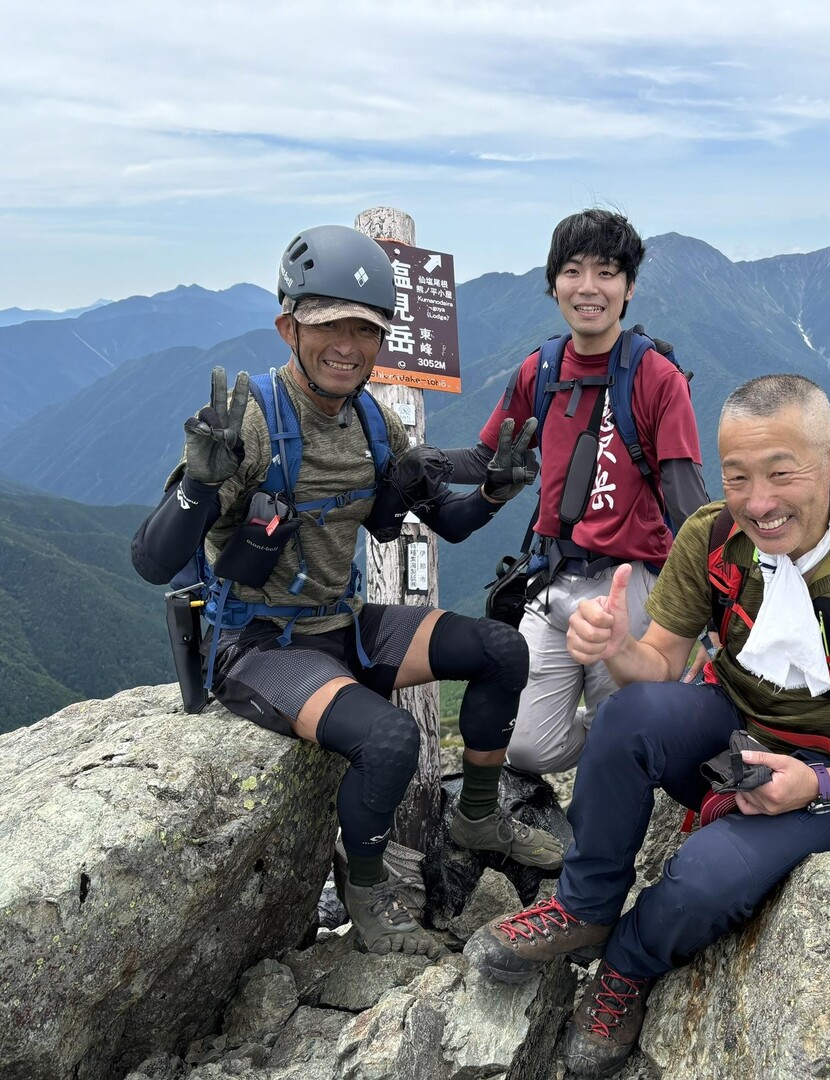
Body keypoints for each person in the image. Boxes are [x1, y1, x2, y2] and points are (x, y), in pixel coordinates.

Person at [465, 374, 830, 1078]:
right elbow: (660, 664)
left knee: (707, 877)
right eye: (736, 476)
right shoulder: (715, 536)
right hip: (736, 726)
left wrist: (821, 783)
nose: (758, 503)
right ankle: (585, 906)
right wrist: (617, 646)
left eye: (780, 473)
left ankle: (627, 964)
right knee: (624, 716)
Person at [132, 224, 563, 959]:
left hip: (343, 622)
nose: (348, 345)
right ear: (288, 326)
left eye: (365, 328)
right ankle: (368, 901)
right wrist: (201, 482)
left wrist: (493, 490)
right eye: (329, 325)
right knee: (389, 738)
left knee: (498, 649)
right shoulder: (250, 423)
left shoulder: (372, 418)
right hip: (259, 642)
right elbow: (151, 559)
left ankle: (478, 818)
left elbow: (448, 523)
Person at [446, 209, 707, 775]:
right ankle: (615, 738)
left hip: (631, 582)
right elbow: (487, 459)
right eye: (572, 271)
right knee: (527, 747)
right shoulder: (538, 370)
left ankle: (625, 757)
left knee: (626, 733)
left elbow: (689, 505)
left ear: (629, 287)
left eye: (607, 272)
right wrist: (408, 461)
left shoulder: (657, 379)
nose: (588, 287)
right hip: (554, 578)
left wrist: (712, 610)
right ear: (553, 282)